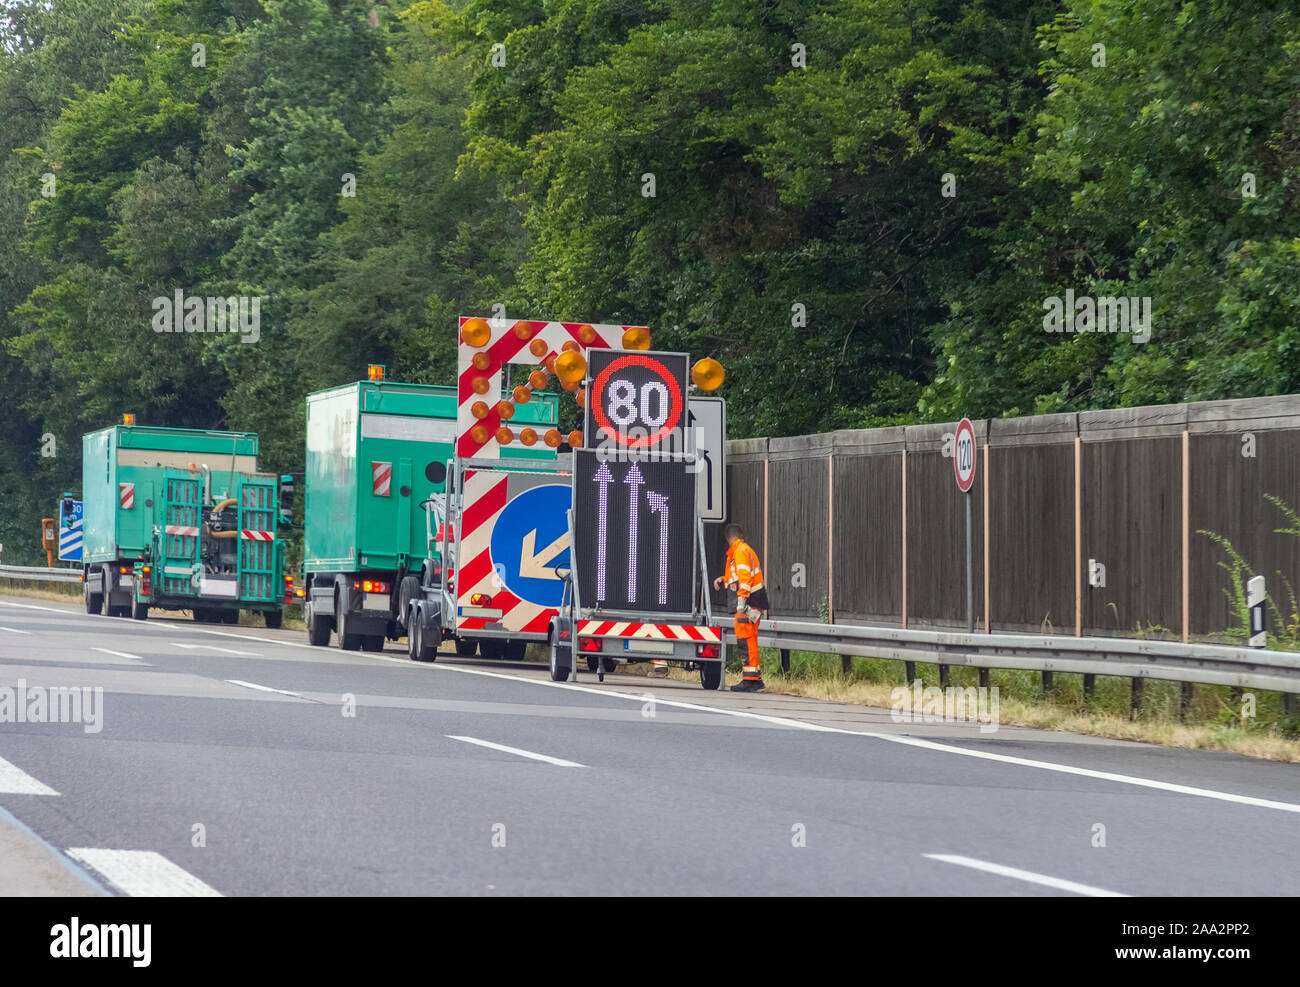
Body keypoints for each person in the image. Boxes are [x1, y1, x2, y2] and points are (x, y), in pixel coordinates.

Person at [713, 523, 769, 692]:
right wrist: (724, 579)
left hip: (748, 602)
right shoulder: (744, 550)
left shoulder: (739, 552)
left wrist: (741, 602)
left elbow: (744, 578)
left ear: (729, 539)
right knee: (749, 640)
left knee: (745, 640)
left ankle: (750, 680)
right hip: (754, 601)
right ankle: (755, 678)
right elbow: (738, 575)